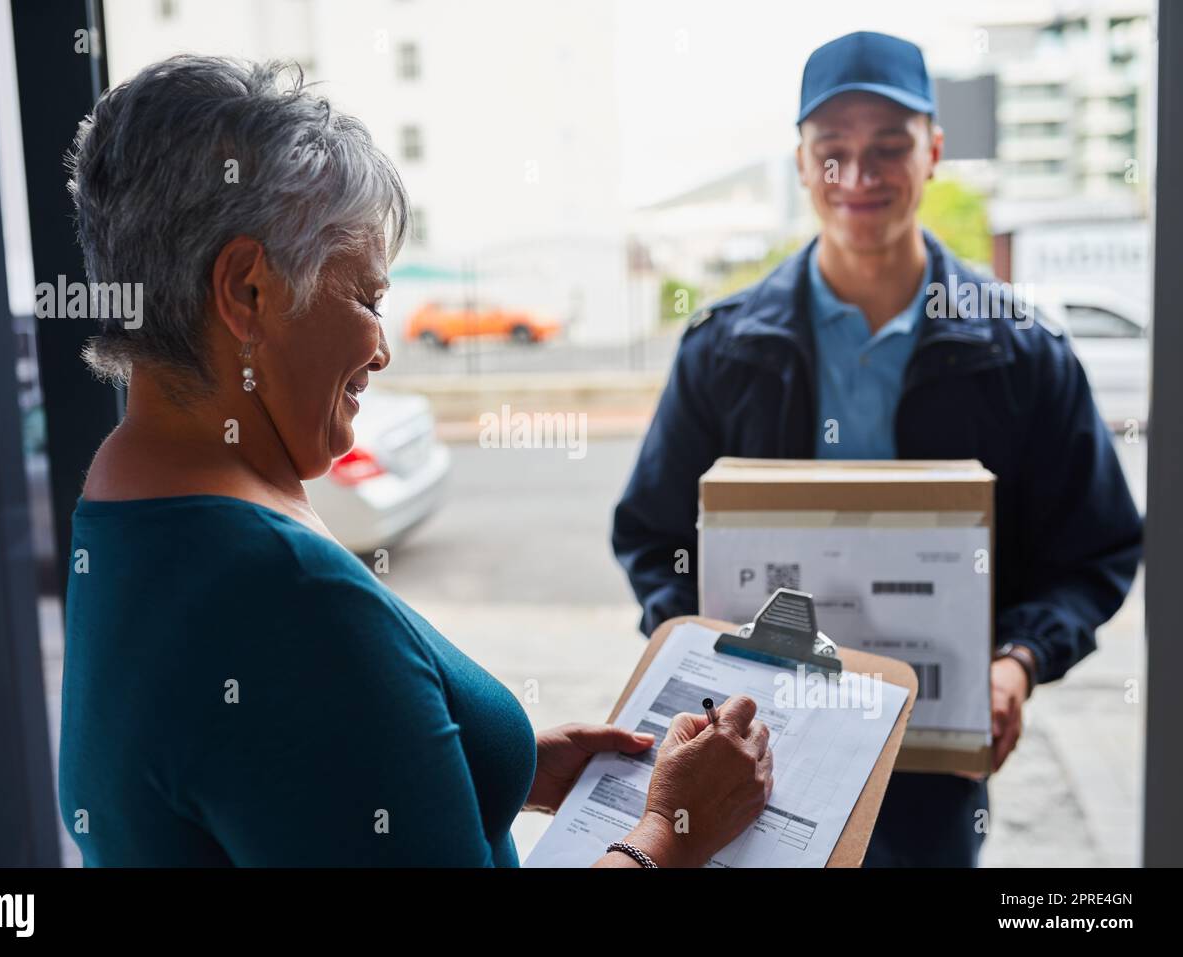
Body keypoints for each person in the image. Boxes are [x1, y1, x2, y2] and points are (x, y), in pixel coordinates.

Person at [57, 55, 772, 867]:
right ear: (248, 290)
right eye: (366, 297)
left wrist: (485, 761)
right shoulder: (282, 591)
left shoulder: (126, 495)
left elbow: (275, 773)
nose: (384, 347)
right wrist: (672, 830)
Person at [612, 32, 1142, 867]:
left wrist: (1019, 658)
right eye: (834, 152)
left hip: (932, 771)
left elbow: (1098, 545)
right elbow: (653, 536)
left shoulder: (1022, 351)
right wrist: (704, 660)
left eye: (889, 148)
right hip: (758, 761)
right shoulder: (723, 349)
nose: (858, 178)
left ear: (933, 152)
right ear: (800, 163)